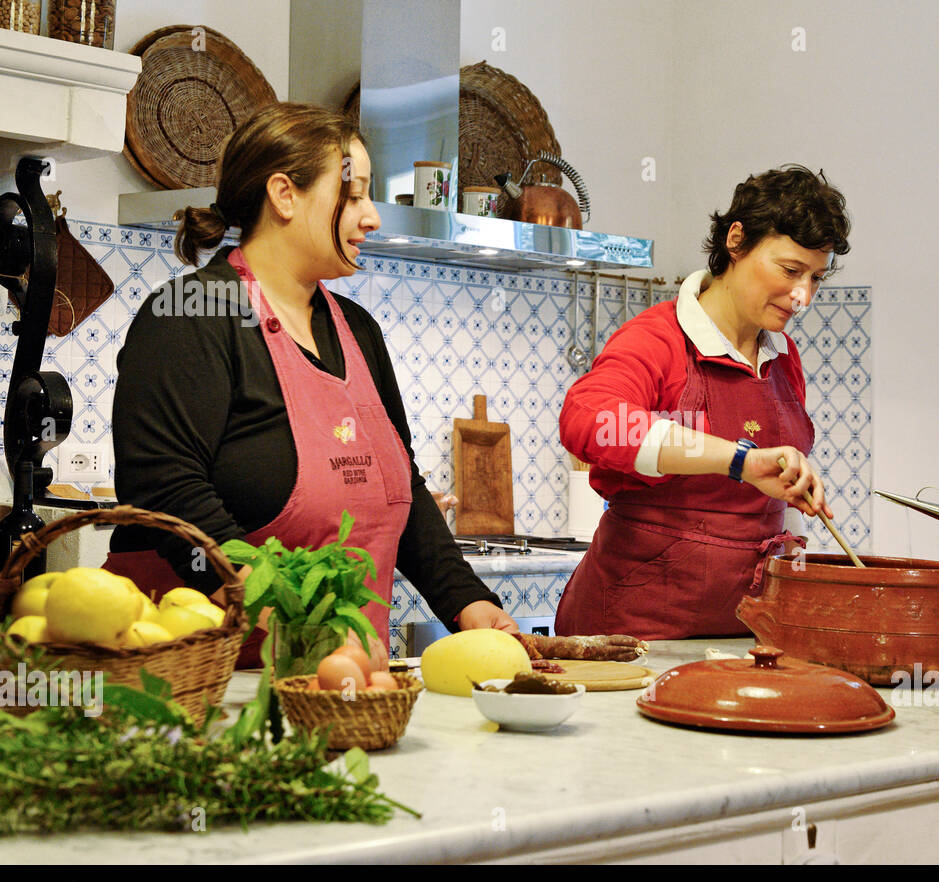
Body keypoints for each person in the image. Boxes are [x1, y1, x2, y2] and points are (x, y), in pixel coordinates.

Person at [107, 103, 519, 665]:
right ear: (284, 195)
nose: (371, 217)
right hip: (202, 675)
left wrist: (468, 602)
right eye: (353, 196)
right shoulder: (191, 315)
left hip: (335, 680)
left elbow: (405, 490)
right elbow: (166, 495)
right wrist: (296, 618)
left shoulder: (357, 330)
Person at [555, 165, 851, 640]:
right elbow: (590, 421)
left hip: (744, 635)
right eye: (791, 270)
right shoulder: (658, 339)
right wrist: (737, 460)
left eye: (815, 278)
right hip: (634, 639)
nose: (803, 296)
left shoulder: (783, 356)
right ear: (736, 241)